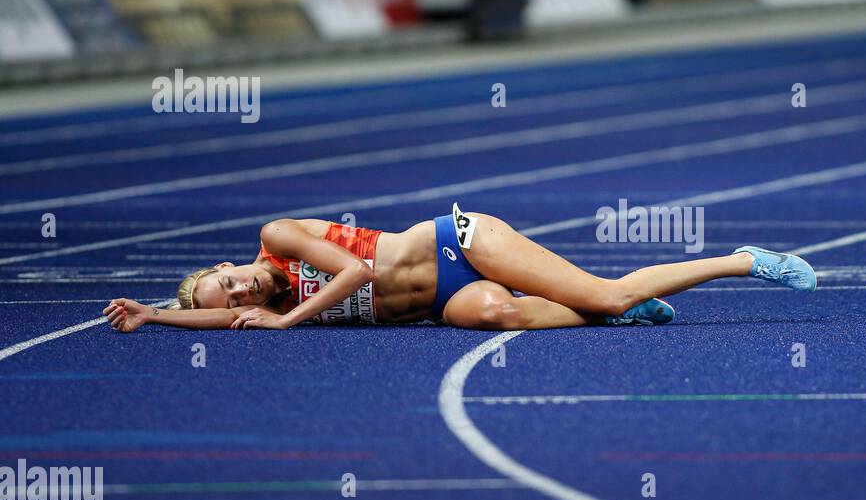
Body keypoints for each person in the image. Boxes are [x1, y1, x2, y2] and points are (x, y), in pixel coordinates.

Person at [103, 206, 816, 332]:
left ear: (234, 262)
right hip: (449, 301)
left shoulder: (278, 239)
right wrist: (157, 313)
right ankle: (620, 312)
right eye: (225, 297)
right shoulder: (241, 302)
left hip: (458, 246)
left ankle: (741, 260)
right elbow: (227, 318)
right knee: (499, 315)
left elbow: (360, 276)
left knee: (604, 292)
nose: (236, 292)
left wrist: (288, 318)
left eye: (226, 279)